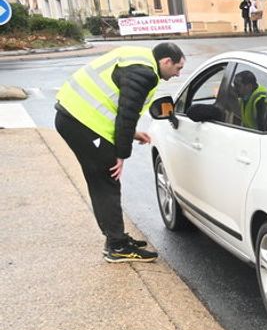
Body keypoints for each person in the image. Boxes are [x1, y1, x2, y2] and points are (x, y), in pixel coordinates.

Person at [54, 43, 187, 262]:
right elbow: (127, 114)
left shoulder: (139, 57)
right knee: (107, 180)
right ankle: (117, 246)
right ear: (166, 62)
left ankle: (115, 239)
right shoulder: (145, 74)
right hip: (82, 121)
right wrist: (121, 154)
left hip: (75, 116)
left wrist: (133, 135)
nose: (178, 74)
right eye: (177, 68)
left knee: (101, 180)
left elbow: (116, 104)